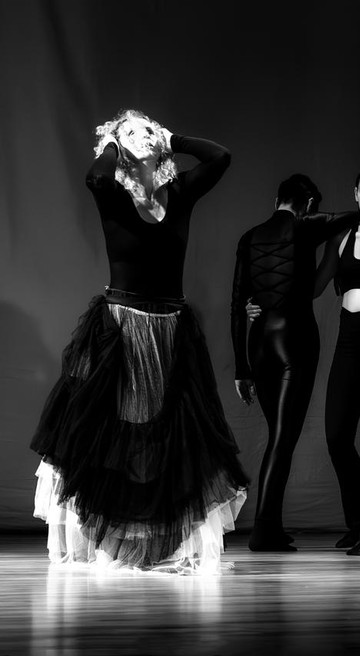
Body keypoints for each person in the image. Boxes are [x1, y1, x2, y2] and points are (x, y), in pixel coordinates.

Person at [30, 109, 250, 574]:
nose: (142, 136)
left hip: (170, 326)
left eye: (147, 130)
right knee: (117, 433)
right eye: (132, 133)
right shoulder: (112, 194)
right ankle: (113, 543)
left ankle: (161, 546)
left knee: (169, 435)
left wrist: (174, 138)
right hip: (122, 327)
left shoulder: (180, 193)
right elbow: (94, 178)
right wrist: (114, 141)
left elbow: (221, 157)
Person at [248, 161, 360, 556]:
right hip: (350, 337)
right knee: (337, 436)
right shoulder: (342, 236)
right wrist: (259, 301)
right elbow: (309, 287)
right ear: (354, 194)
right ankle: (359, 523)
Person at [231, 174, 357, 552]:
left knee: (277, 437)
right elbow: (354, 215)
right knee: (282, 440)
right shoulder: (305, 226)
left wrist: (241, 368)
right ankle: (264, 529)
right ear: (307, 205)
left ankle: (272, 525)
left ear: (275, 199)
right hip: (295, 339)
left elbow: (238, 304)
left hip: (259, 343)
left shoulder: (249, 237)